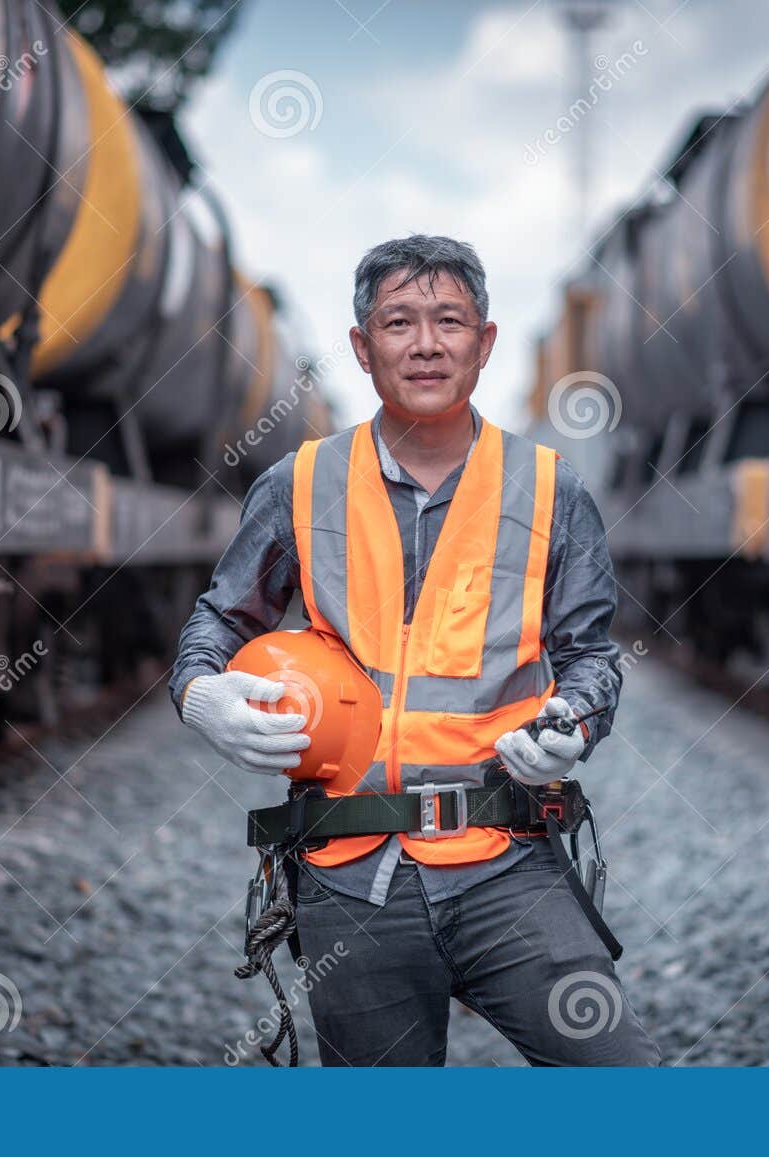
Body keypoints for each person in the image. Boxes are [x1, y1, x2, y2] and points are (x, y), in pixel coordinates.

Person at [171, 234, 658, 1066]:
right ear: (362, 347)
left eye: (449, 321)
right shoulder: (300, 481)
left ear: (485, 342)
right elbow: (220, 620)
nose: (426, 343)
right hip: (348, 877)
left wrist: (576, 719)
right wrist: (200, 693)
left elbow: (591, 656)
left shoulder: (550, 488)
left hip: (507, 864)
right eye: (399, 321)